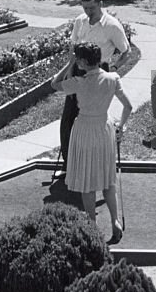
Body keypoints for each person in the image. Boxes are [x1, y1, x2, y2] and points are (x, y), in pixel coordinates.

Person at [51, 41, 134, 242]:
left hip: (84, 130)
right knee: (107, 178)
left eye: (78, 58)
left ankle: (92, 223)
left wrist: (69, 64)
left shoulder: (78, 82)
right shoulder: (113, 78)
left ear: (82, 61)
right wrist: (121, 127)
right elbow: (128, 106)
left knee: (88, 182)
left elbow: (54, 83)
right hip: (104, 129)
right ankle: (115, 220)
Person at [59, 0, 130, 178]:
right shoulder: (80, 21)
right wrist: (69, 69)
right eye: (85, 8)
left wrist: (113, 69)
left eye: (91, 8)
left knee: (95, 120)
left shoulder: (112, 25)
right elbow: (73, 47)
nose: (88, 12)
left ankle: (95, 166)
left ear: (100, 3)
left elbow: (126, 51)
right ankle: (69, 166)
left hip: (99, 73)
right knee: (68, 119)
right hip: (78, 72)